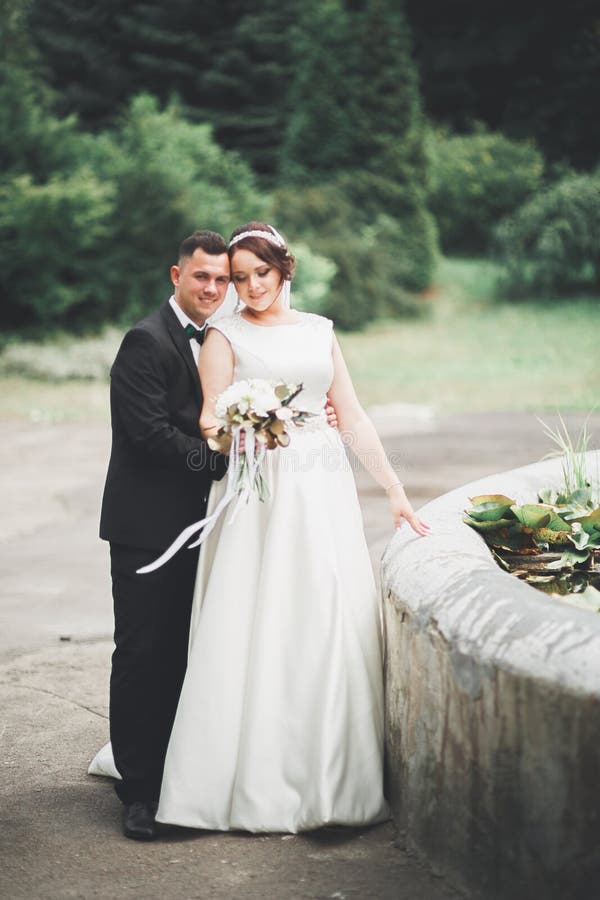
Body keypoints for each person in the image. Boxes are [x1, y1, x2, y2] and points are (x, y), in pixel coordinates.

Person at [155, 222, 428, 833]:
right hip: (260, 487)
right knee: (260, 613)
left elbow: (351, 415)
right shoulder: (224, 335)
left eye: (262, 273)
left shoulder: (319, 330)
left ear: (284, 269)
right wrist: (243, 430)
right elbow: (208, 420)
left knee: (325, 608)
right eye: (240, 277)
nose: (252, 286)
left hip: (322, 486)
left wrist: (395, 490)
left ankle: (331, 775)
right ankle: (248, 773)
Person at [98, 230, 231, 840]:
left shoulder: (222, 340)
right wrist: (220, 462)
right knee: (141, 654)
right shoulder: (144, 341)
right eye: (202, 276)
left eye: (222, 279)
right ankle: (138, 791)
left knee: (183, 651)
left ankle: (177, 777)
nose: (213, 288)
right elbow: (149, 434)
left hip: (202, 525)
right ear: (176, 276)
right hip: (146, 529)